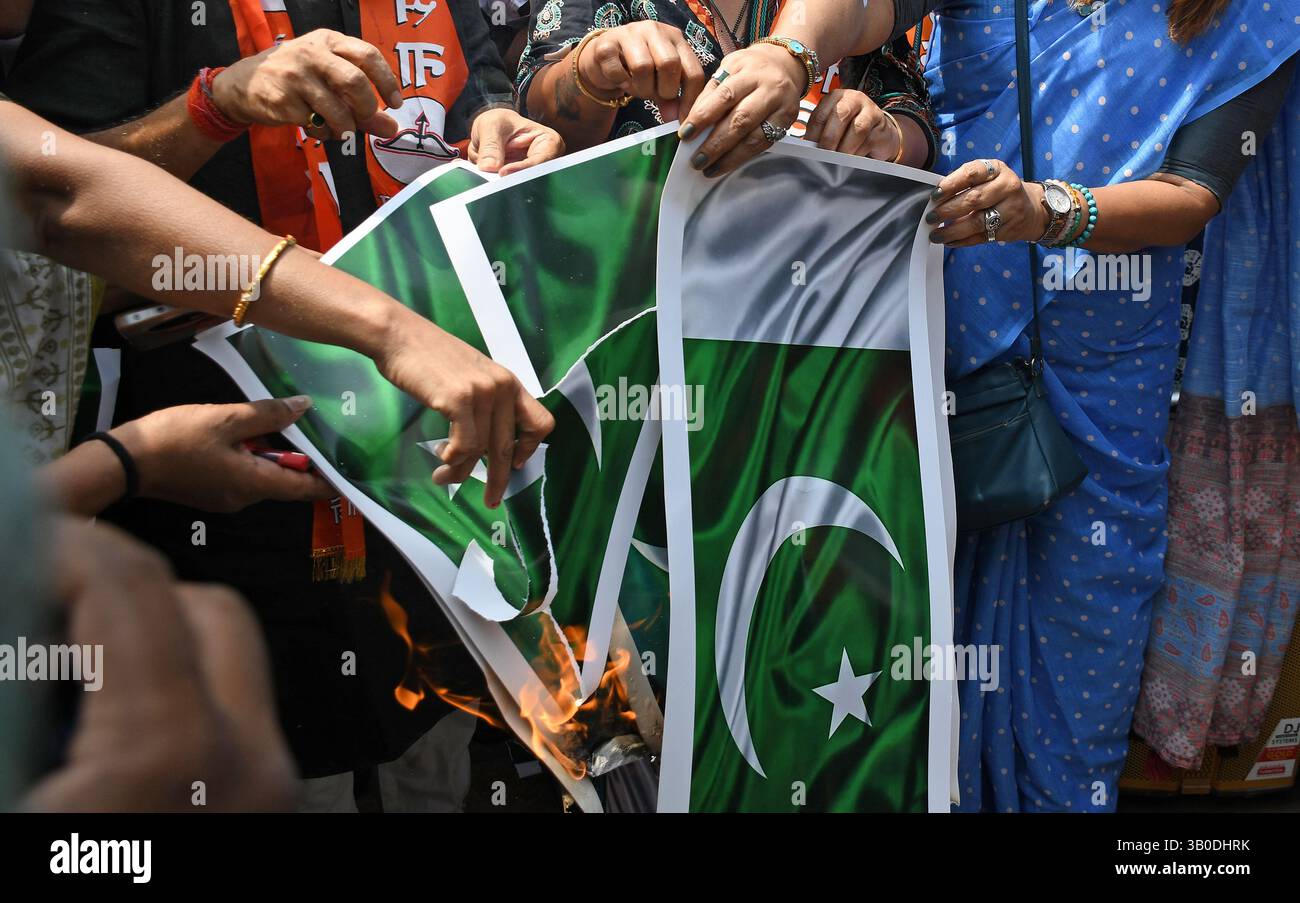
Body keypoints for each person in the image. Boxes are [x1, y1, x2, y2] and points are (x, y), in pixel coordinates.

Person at [3, 0, 563, 812]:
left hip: (436, 493)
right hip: (230, 488)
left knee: (430, 761)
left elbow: (474, 96)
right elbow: (60, 200)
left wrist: (501, 129)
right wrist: (214, 107)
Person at [846, 0, 1299, 810]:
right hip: (938, 329)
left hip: (1106, 373)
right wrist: (793, 51)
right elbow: (870, 12)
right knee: (904, 634)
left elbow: (1194, 190)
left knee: (1085, 639)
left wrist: (1049, 211)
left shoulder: (1253, 14)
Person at [517, 0, 937, 168]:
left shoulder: (846, 14)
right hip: (636, 291)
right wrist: (593, 67)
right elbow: (537, 116)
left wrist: (885, 135)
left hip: (808, 301)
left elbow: (910, 112)